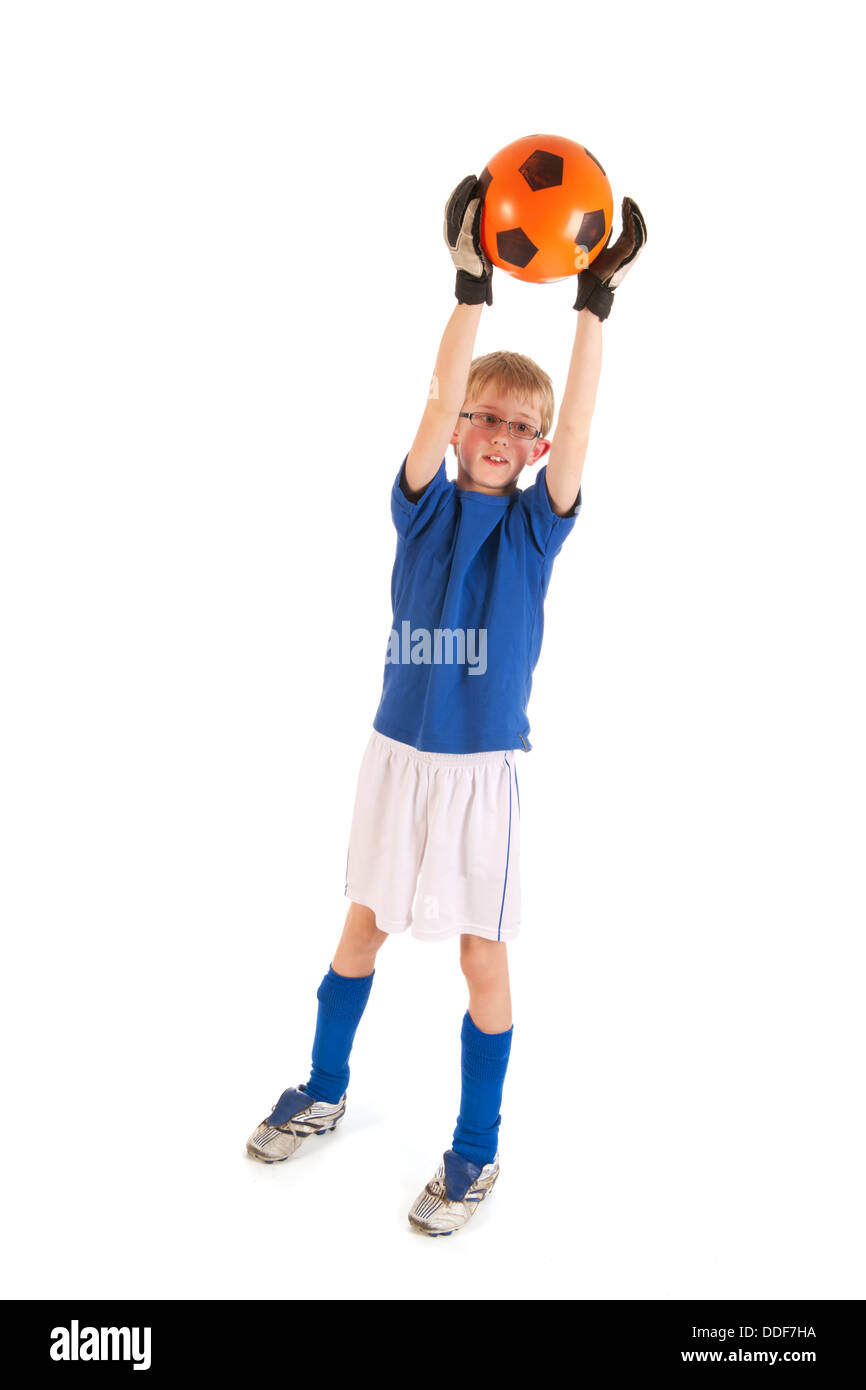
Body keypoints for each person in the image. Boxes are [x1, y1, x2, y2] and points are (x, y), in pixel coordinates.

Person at [246, 173, 646, 1236]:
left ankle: (475, 1150)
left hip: (477, 773)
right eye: (486, 415)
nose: (499, 432)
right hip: (395, 757)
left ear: (538, 448)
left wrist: (590, 305)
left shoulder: (536, 527)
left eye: (522, 426)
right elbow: (432, 396)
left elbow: (583, 413)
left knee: (480, 957)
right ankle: (324, 1085)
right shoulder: (419, 506)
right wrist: (469, 285)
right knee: (361, 928)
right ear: (462, 421)